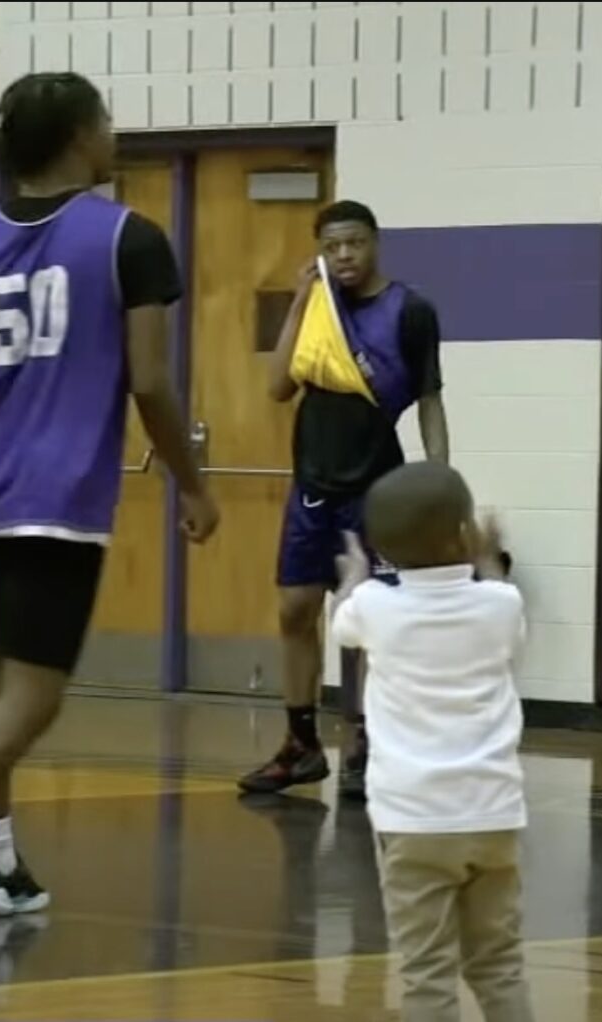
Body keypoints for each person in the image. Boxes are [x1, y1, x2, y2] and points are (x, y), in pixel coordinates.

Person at [0, 72, 219, 939]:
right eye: (106, 119)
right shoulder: (131, 237)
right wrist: (193, 482)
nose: (114, 133)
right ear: (78, 136)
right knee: (40, 689)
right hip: (60, 490)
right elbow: (152, 382)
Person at [238, 200, 449, 798]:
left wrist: (440, 483)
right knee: (294, 610)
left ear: (374, 243)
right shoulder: (318, 311)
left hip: (377, 489)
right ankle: (301, 744)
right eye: (333, 247)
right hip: (313, 485)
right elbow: (279, 387)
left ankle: (364, 738)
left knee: (367, 622)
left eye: (355, 244)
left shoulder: (410, 311)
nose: (345, 256)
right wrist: (302, 301)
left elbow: (430, 399)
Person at [332, 462, 534, 1022]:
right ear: (464, 534)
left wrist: (354, 575)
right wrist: (488, 559)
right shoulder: (501, 604)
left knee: (427, 975)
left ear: (382, 548)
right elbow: (497, 593)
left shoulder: (374, 606)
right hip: (493, 815)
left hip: (412, 822)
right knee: (499, 966)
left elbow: (342, 621)